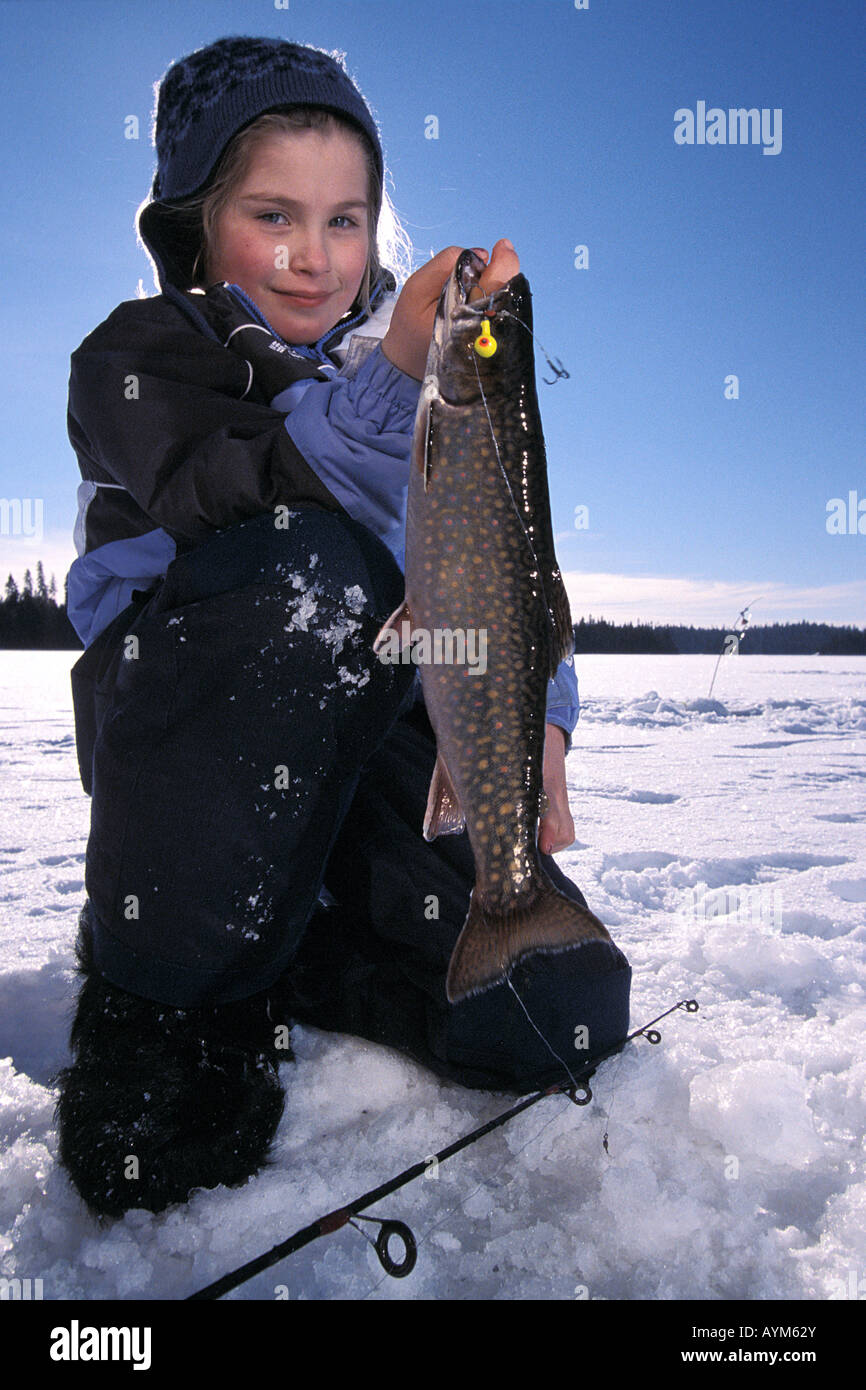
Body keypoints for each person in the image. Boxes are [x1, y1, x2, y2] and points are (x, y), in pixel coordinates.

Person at [55, 35, 631, 1218]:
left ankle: (311, 945)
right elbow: (251, 489)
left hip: (365, 734)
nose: (312, 259)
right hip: (188, 741)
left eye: (345, 220)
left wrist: (539, 730)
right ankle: (167, 991)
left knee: (556, 1008)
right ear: (195, 222)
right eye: (273, 214)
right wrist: (404, 372)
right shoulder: (139, 359)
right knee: (308, 564)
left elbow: (506, 561)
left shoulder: (422, 370)